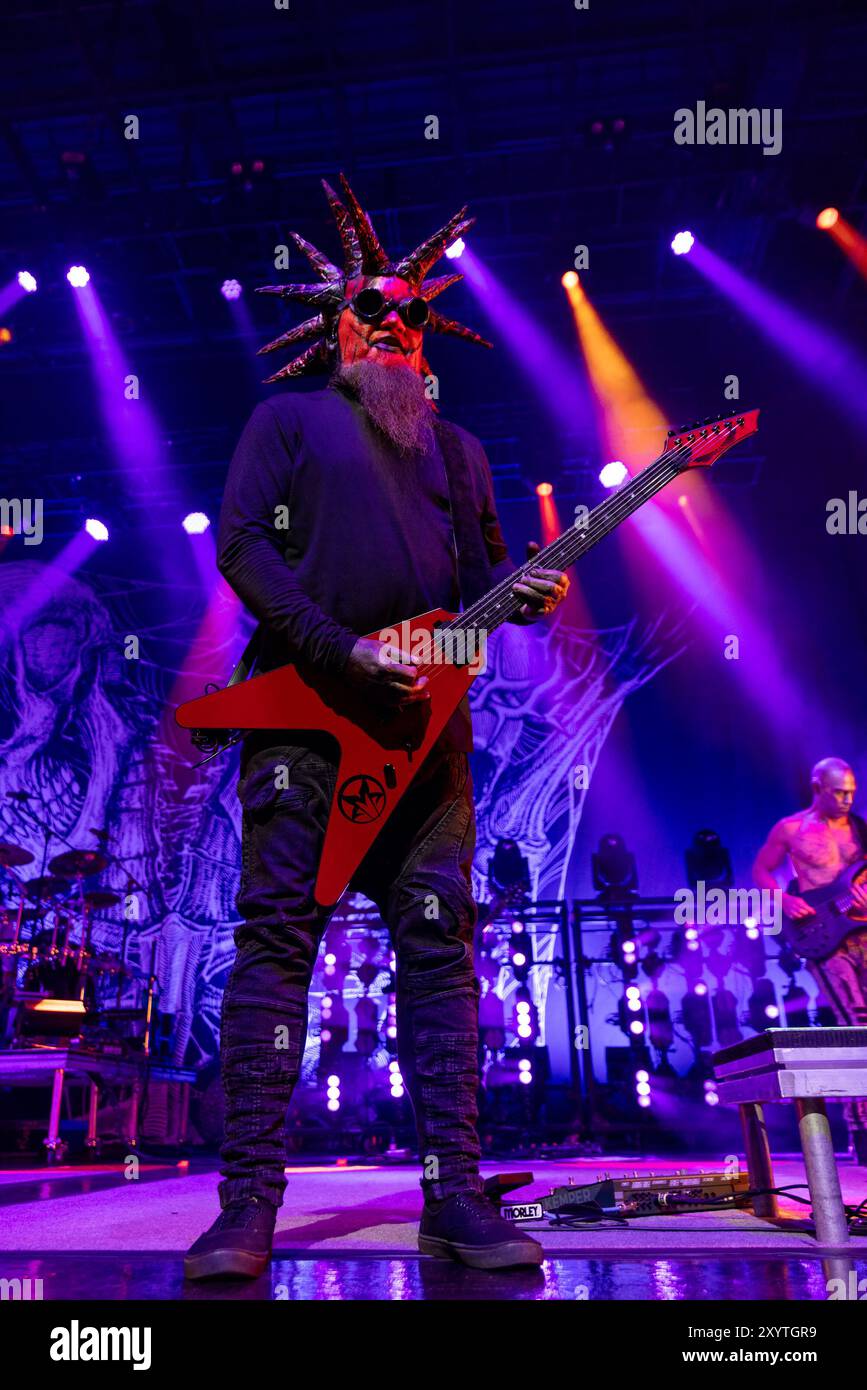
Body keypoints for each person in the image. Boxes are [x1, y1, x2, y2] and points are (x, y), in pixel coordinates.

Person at [184, 175, 570, 1279]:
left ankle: (455, 1197)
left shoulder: (460, 450)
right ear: (339, 328)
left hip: (426, 743)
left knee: (441, 952)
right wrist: (333, 648)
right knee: (276, 946)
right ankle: (247, 1205)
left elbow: (487, 580)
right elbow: (243, 546)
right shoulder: (287, 419)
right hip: (308, 723)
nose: (394, 324)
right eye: (374, 312)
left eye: (410, 313)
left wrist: (525, 594)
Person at [753, 757, 867, 1162]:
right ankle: (861, 1128)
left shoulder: (860, 830)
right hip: (824, 936)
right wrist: (785, 897)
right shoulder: (791, 829)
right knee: (856, 1023)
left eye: (851, 791)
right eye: (839, 792)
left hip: (864, 930)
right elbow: (762, 871)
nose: (847, 799)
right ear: (818, 787)